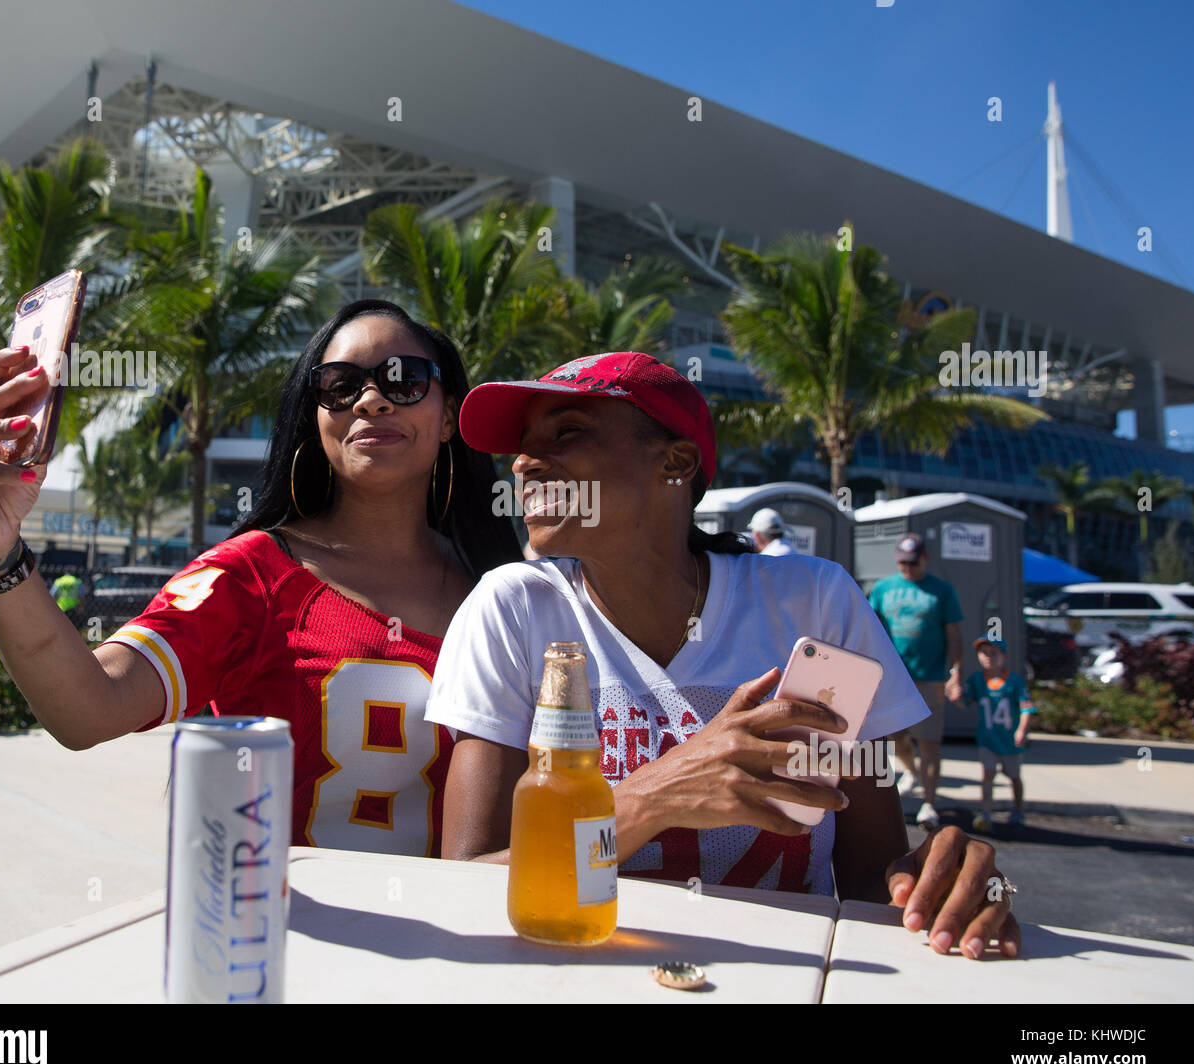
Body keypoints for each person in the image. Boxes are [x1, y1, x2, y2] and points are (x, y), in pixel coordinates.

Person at [426, 351, 1020, 959]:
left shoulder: (815, 602)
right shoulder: (513, 609)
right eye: (522, 444)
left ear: (675, 464)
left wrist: (938, 886)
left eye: (568, 431)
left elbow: (872, 875)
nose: (524, 462)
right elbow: (470, 876)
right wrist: (654, 797)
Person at [0, 298, 521, 855]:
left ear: (448, 415)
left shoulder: (503, 591)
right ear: (315, 420)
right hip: (286, 944)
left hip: (461, 951)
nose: (370, 401)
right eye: (339, 386)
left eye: (403, 378)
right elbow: (89, 707)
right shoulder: (248, 576)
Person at [868, 533, 963, 829]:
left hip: (930, 677)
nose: (906, 568)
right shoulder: (884, 588)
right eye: (901, 562)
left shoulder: (942, 591)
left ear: (924, 559)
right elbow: (870, 627)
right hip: (894, 677)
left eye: (911, 562)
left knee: (929, 742)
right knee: (896, 736)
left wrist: (955, 673)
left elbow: (954, 634)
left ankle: (929, 804)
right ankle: (911, 771)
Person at [951, 637, 1035, 832]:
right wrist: (955, 698)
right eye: (984, 653)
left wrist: (1021, 730)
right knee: (988, 774)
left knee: (1014, 775)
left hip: (1009, 740)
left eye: (994, 653)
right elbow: (965, 702)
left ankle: (1018, 809)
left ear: (1003, 657)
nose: (989, 657)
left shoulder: (1014, 681)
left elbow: (1026, 707)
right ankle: (986, 813)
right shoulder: (977, 680)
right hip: (987, 739)